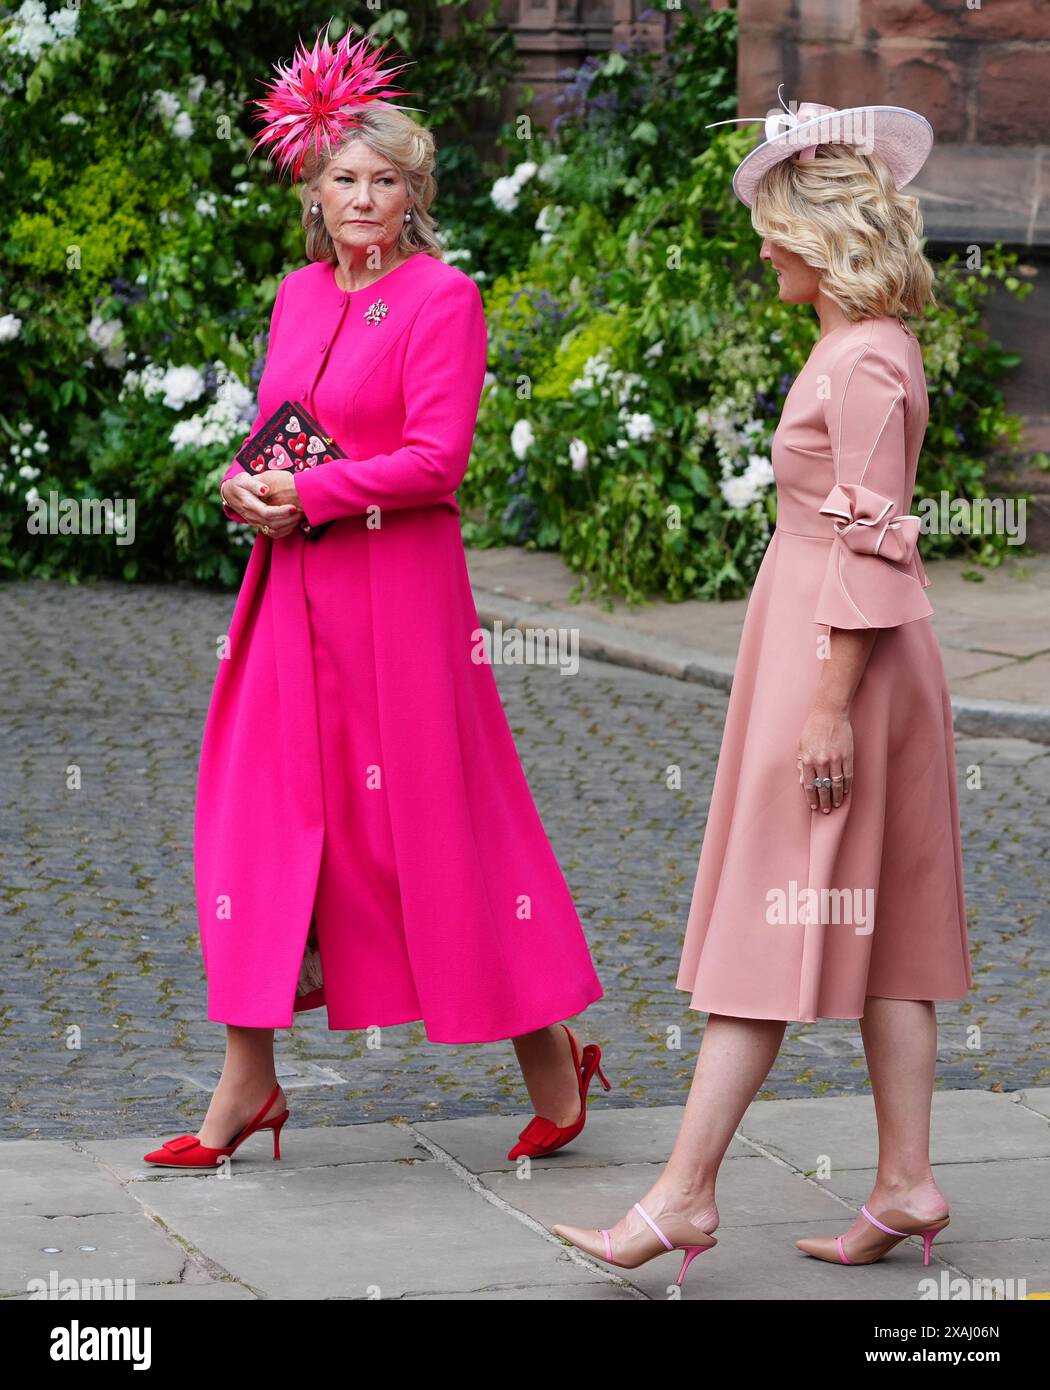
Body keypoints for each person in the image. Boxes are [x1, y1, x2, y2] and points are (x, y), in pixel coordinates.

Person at [145, 23, 607, 1171]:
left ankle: (553, 1054)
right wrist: (249, 484)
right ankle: (244, 1085)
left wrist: (314, 495)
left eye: (383, 181)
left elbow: (437, 461)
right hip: (287, 595)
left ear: (414, 193)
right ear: (314, 188)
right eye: (343, 178)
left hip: (398, 604)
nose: (362, 198)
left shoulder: (443, 298)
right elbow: (282, 431)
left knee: (429, 832)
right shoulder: (299, 296)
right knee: (259, 825)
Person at [554, 96, 971, 1285]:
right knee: (881, 930)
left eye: (770, 229)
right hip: (838, 650)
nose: (760, 250)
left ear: (819, 237)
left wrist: (830, 701)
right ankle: (904, 1181)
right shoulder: (856, 350)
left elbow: (873, 545)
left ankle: (683, 1195)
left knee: (769, 922)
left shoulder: (865, 363)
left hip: (844, 662)